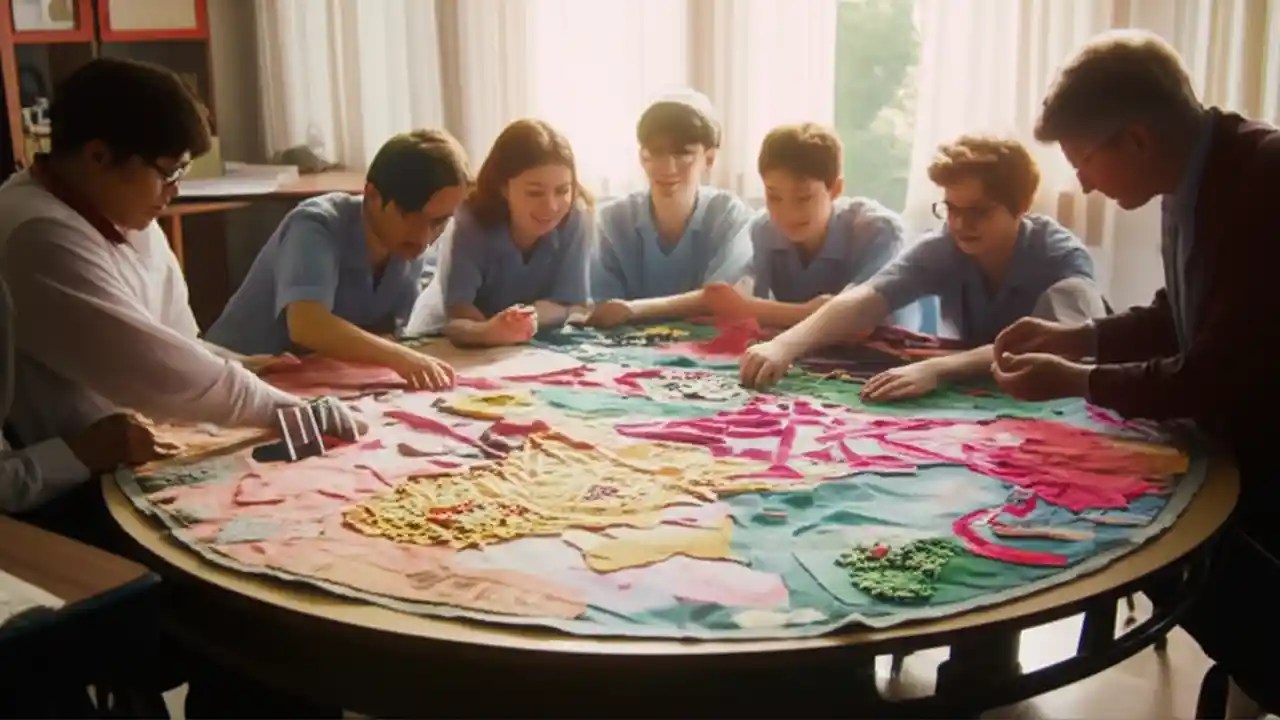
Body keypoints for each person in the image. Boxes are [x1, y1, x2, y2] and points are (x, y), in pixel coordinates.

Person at [989, 29, 1280, 690]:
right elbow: (1181, 316)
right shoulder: (1197, 176)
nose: (1084, 185)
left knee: (1164, 557)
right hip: (1241, 450)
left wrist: (1079, 380)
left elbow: (1214, 374)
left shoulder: (1265, 179)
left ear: (1137, 140)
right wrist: (1078, 338)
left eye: (1084, 162)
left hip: (1268, 469)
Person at [0, 58, 360, 512]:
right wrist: (286, 409)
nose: (174, 191)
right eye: (167, 172)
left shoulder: (123, 213)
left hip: (130, 450)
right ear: (98, 157)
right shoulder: (36, 232)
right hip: (66, 487)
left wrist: (237, 364)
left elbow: (177, 342)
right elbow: (154, 370)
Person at [738, 134, 1103, 395]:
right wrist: (784, 346)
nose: (960, 224)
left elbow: (1048, 346)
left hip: (1055, 397)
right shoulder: (945, 245)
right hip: (980, 391)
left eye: (978, 212)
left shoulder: (1062, 261)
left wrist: (938, 369)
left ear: (1021, 206)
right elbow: (866, 299)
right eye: (952, 209)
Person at [206, 130, 470, 390]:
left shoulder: (408, 250)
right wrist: (401, 358)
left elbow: (386, 335)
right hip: (231, 380)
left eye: (439, 222)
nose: (424, 238)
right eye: (409, 217)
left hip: (315, 380)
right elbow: (307, 325)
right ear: (373, 195)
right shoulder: (316, 225)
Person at [702, 122, 910, 331]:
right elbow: (747, 310)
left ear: (835, 189)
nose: (787, 212)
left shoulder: (878, 232)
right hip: (805, 344)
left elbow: (856, 317)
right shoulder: (764, 229)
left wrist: (749, 309)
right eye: (774, 197)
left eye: (803, 198)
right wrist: (805, 311)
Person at [407, 118, 592, 348]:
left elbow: (574, 304)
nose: (552, 206)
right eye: (535, 193)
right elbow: (458, 314)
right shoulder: (470, 221)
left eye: (563, 191)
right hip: (448, 335)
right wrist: (492, 330)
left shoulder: (575, 217)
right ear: (503, 187)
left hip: (529, 339)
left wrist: (526, 319)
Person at [584, 90, 753, 327]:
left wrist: (633, 310)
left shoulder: (728, 215)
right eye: (656, 152)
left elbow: (720, 300)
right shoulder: (612, 220)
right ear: (643, 157)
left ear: (709, 159)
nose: (667, 167)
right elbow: (605, 309)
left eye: (683, 154)